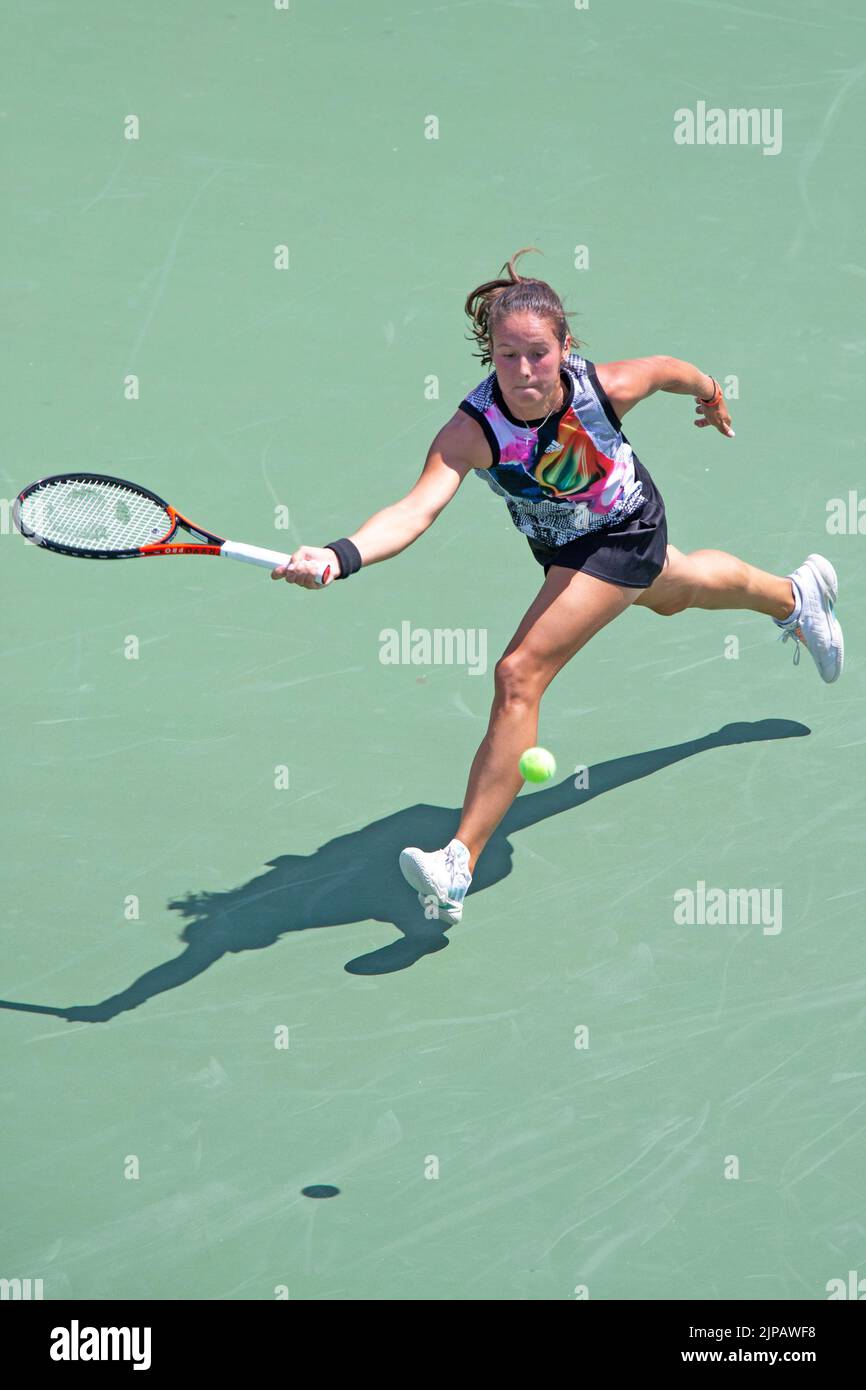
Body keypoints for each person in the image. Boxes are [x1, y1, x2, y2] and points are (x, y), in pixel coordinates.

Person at [271, 247, 843, 927]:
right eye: (507, 356)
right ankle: (794, 596)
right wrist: (341, 555)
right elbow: (415, 510)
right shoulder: (471, 432)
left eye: (537, 353)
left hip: (625, 527)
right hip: (567, 548)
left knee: (519, 673)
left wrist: (710, 393)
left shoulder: (604, 387)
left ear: (565, 347)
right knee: (679, 589)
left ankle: (458, 860)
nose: (523, 371)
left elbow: (669, 371)